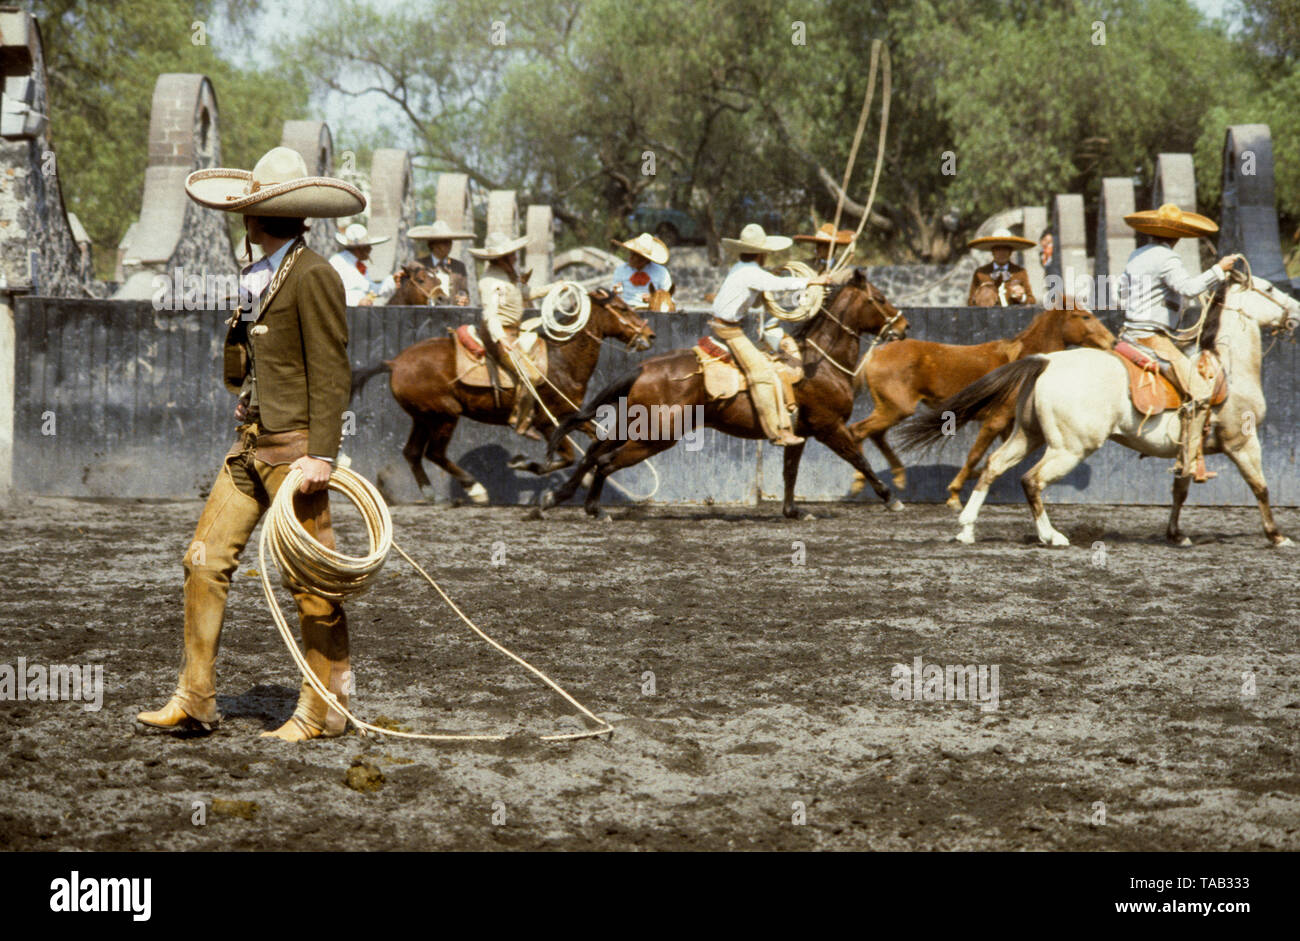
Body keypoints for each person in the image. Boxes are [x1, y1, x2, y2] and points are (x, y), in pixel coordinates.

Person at [137, 146, 362, 742]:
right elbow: (273, 359)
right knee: (202, 561)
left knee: (311, 581)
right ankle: (195, 698)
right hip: (251, 445)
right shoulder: (261, 273)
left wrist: (322, 453)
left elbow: (333, 370)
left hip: (296, 455)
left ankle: (325, 709)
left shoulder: (314, 274)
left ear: (254, 217)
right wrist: (253, 396)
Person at [1118, 203, 1237, 483]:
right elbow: (1189, 288)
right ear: (1178, 235)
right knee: (1200, 391)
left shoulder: (1137, 255)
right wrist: (1219, 270)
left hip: (1130, 333)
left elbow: (1122, 293)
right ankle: (1189, 460)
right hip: (1151, 338)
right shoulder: (1168, 259)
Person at [711, 223, 832, 446]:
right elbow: (777, 284)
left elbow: (759, 293)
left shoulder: (740, 269)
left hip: (726, 327)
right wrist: (814, 280)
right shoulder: (750, 272)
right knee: (763, 373)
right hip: (729, 331)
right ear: (761, 254)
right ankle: (778, 431)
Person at [470, 231, 538, 436]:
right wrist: (501, 338)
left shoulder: (508, 276)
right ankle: (519, 419)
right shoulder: (490, 281)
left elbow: (526, 294)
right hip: (498, 335)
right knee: (530, 375)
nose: (516, 257)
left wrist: (557, 288)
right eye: (512, 254)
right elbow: (490, 314)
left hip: (513, 332)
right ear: (502, 258)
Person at [408, 219, 473, 305]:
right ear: (432, 244)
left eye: (450, 241)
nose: (448, 244)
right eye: (443, 241)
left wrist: (464, 299)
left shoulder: (459, 267)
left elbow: (463, 291)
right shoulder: (418, 265)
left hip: (452, 315)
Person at [966, 228, 1037, 306]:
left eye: (1005, 250)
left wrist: (1022, 297)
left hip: (1014, 315)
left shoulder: (1019, 272)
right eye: (998, 250)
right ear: (992, 252)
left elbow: (1032, 300)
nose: (1001, 253)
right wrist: (981, 295)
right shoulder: (981, 273)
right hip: (988, 316)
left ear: (1010, 252)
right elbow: (970, 302)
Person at [329, 223, 395, 305]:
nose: (370, 249)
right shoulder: (337, 262)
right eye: (368, 246)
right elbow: (331, 292)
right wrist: (356, 302)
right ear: (360, 248)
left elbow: (372, 290)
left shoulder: (359, 266)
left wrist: (393, 280)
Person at [609, 232, 672, 307]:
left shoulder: (661, 273)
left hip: (651, 310)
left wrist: (654, 298)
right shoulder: (621, 270)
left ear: (645, 259)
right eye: (631, 253)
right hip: (626, 310)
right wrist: (615, 291)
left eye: (635, 255)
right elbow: (613, 293)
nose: (631, 258)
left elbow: (668, 298)